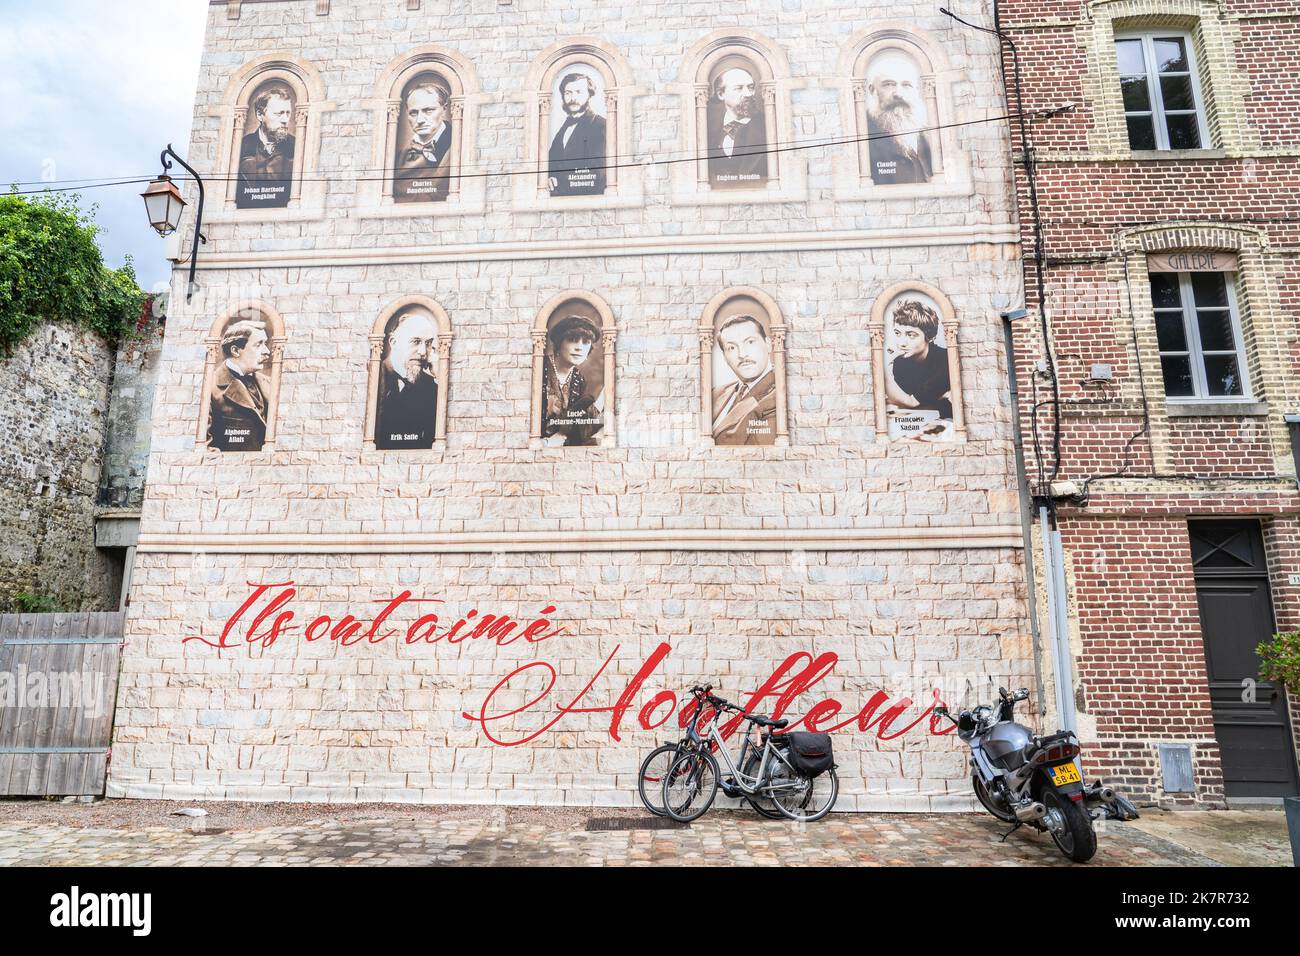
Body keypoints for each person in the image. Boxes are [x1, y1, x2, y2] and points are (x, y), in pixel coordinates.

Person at [375, 309, 440, 449]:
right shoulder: (375, 376)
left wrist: (439, 376)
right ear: (393, 342)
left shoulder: (431, 387)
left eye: (428, 343)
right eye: (415, 341)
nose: (423, 352)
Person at [865, 50, 933, 185]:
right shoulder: (863, 135)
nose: (899, 94)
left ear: (917, 90)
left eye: (906, 85)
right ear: (872, 90)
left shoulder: (923, 133)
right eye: (889, 84)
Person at [711, 314, 776, 445]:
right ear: (725, 357)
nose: (742, 354)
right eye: (732, 348)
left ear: (768, 344)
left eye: (750, 342)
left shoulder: (779, 396)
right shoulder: (715, 393)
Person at [208, 320, 272, 451]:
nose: (267, 352)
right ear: (236, 350)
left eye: (265, 343)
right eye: (259, 344)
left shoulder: (270, 383)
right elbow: (206, 447)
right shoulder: (209, 386)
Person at [540, 316, 603, 446]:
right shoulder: (541, 367)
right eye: (572, 340)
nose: (579, 348)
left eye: (585, 342)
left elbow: (573, 425)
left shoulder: (578, 379)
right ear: (559, 343)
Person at [886, 299, 951, 420]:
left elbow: (910, 403)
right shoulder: (900, 362)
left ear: (930, 336)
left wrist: (884, 371)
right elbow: (898, 403)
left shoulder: (946, 360)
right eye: (897, 333)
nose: (902, 343)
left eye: (911, 335)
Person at [706, 66, 768, 188]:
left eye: (750, 87)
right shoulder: (706, 126)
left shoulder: (767, 126)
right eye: (739, 88)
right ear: (721, 94)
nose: (748, 94)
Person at [548, 72, 607, 196]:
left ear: (589, 95)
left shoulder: (600, 125)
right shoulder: (564, 127)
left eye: (578, 92)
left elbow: (597, 173)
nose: (573, 98)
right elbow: (551, 162)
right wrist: (549, 177)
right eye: (568, 93)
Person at [393, 82, 454, 203]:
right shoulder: (399, 155)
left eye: (428, 110)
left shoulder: (457, 147)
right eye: (413, 113)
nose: (420, 120)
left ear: (444, 109)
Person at [237, 87, 296, 208]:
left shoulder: (297, 147)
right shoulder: (241, 147)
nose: (285, 120)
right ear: (260, 114)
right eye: (279, 113)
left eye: (288, 113)